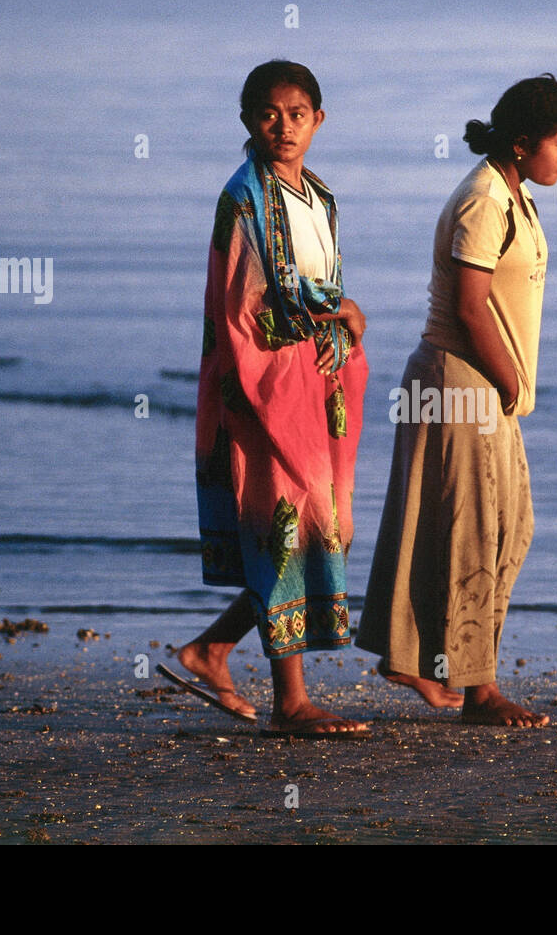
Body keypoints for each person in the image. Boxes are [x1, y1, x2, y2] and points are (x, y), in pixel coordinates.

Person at [357, 74, 557, 727]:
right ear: (520, 145)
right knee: (477, 534)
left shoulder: (514, 195)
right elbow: (469, 304)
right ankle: (476, 688)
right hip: (461, 382)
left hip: (475, 384)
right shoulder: (485, 199)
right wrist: (509, 379)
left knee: (501, 527)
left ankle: (415, 658)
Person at [164, 60, 370, 738]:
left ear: (320, 118)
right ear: (249, 120)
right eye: (269, 114)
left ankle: (212, 648)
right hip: (265, 383)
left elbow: (313, 277)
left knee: (319, 524)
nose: (284, 126)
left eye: (298, 112)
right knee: (284, 523)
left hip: (314, 384)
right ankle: (290, 702)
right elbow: (251, 297)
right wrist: (337, 310)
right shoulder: (244, 197)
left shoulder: (321, 196)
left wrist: (340, 323)